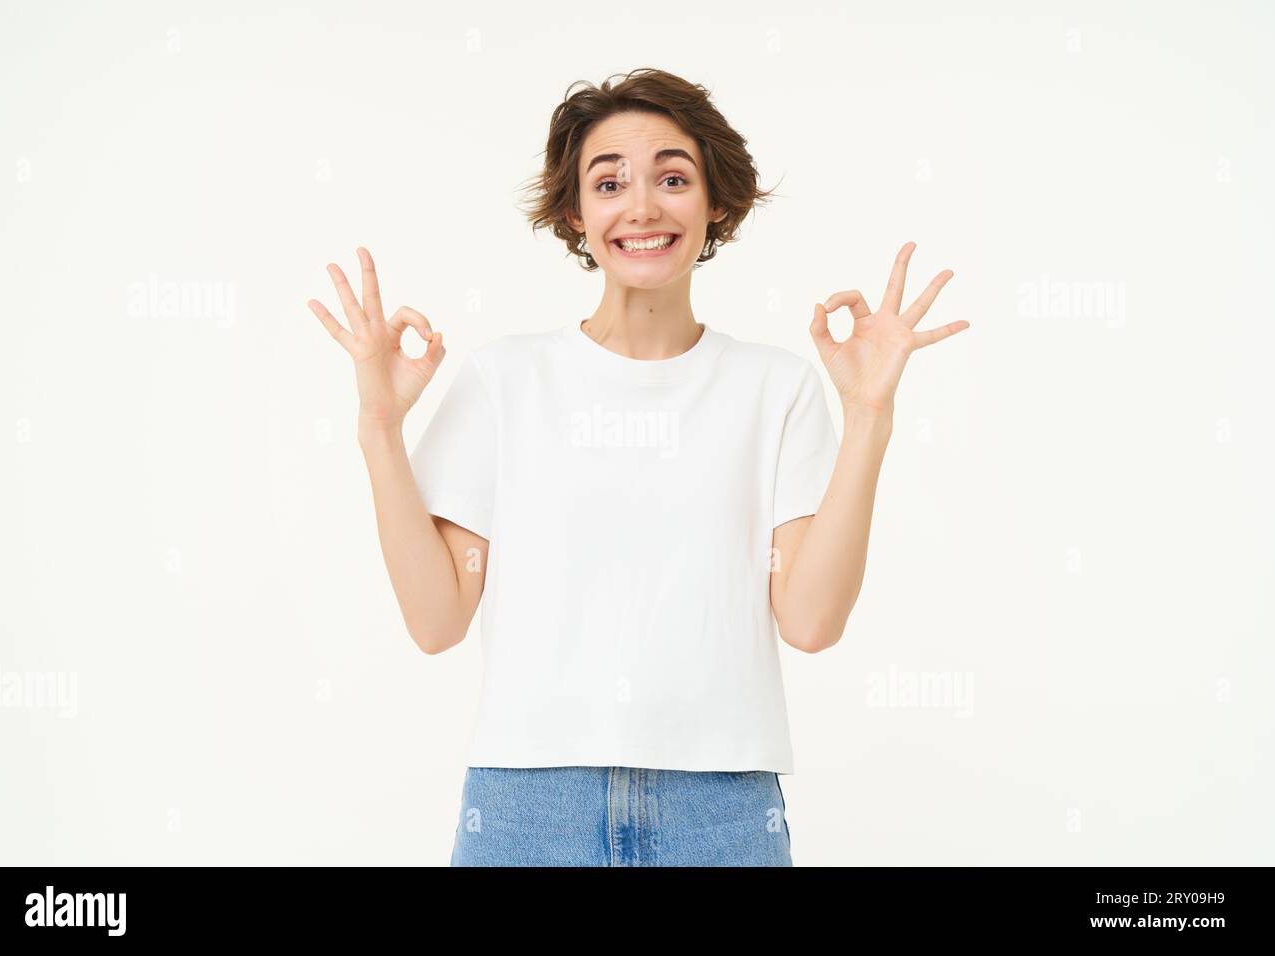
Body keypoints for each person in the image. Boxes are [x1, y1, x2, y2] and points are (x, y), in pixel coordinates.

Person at [305, 68, 968, 867]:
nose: (643, 206)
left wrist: (868, 416)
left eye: (673, 178)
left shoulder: (776, 387)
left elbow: (812, 623)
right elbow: (435, 621)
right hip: (527, 808)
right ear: (575, 214)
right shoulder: (503, 381)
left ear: (716, 202)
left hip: (721, 810)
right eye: (610, 182)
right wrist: (380, 426)